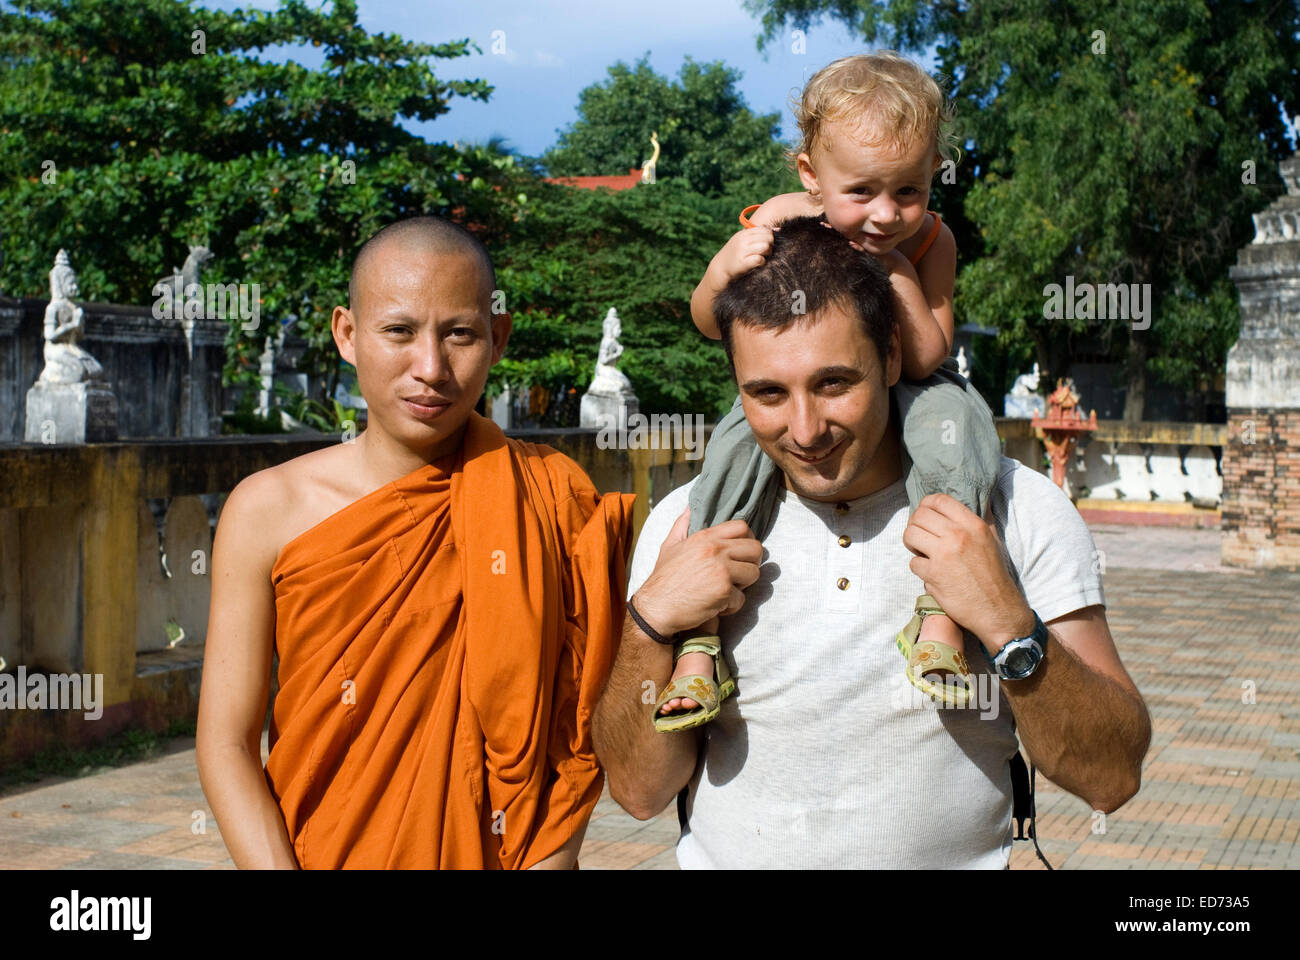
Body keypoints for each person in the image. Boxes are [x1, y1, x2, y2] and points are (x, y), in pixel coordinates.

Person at [592, 216, 1151, 868]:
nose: (805, 430)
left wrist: (1007, 623)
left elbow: (1111, 780)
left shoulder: (1015, 509)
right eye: (767, 393)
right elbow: (636, 795)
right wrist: (648, 624)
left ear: (891, 355)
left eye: (834, 384)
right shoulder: (686, 527)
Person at [196, 216, 634, 869]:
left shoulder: (550, 500)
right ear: (347, 334)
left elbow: (574, 735)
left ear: (498, 339)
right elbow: (226, 744)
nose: (430, 368)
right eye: (398, 331)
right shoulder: (268, 510)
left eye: (459, 334)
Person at [657, 51, 1000, 728]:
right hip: (811, 379)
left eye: (909, 191)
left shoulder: (932, 242)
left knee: (960, 443)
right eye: (862, 192)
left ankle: (940, 616)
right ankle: (697, 644)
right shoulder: (787, 219)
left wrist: (898, 267)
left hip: (914, 383)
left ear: (933, 174)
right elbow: (710, 323)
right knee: (733, 456)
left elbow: (928, 352)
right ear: (813, 177)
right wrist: (725, 267)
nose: (885, 213)